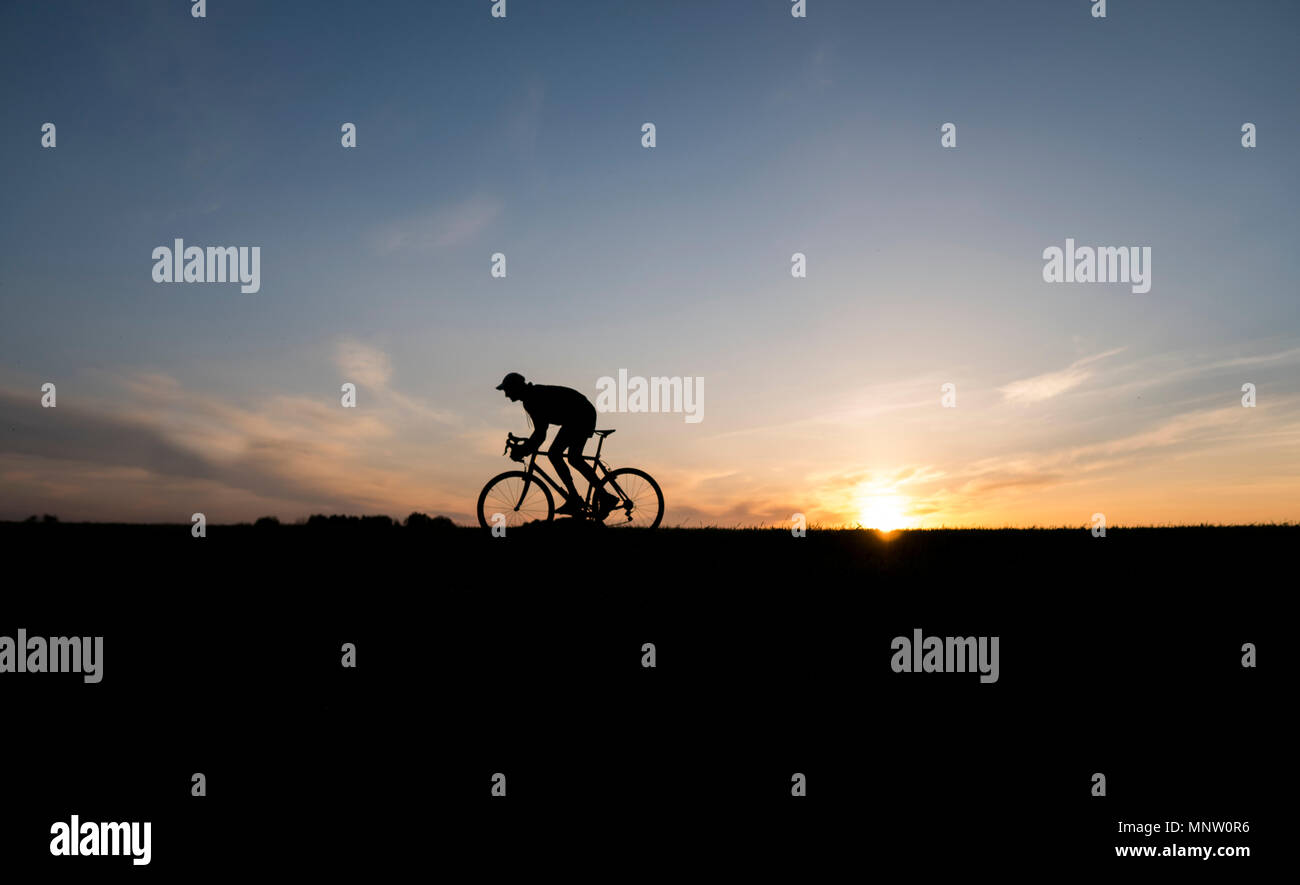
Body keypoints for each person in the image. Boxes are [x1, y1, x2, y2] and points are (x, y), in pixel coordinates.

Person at [496, 373, 620, 518]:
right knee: (572, 458)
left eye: (507, 390)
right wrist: (526, 448)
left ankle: (581, 498)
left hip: (580, 415)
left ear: (515, 388)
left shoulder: (533, 399)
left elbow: (540, 434)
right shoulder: (530, 398)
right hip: (578, 415)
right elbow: (539, 433)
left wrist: (524, 450)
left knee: (559, 455)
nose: (505, 395)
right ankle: (601, 497)